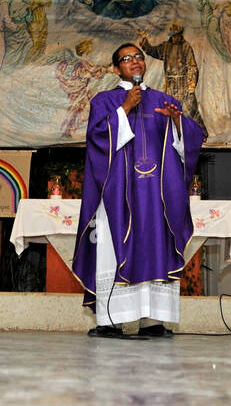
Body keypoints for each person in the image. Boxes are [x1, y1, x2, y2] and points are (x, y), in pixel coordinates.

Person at [72, 44, 205, 338]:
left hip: (156, 198)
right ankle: (110, 321)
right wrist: (126, 108)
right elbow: (97, 140)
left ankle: (154, 321)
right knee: (113, 247)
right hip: (117, 194)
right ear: (116, 68)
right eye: (127, 59)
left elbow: (189, 143)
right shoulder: (104, 101)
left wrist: (176, 122)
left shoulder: (163, 100)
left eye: (138, 57)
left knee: (155, 248)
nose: (135, 62)